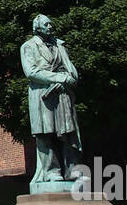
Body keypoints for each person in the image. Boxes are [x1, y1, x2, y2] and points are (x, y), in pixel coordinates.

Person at [21, 13, 83, 190]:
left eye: (51, 24)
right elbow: (31, 72)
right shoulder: (28, 47)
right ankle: (51, 172)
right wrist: (59, 77)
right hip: (42, 95)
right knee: (45, 133)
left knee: (69, 132)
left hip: (62, 95)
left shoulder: (59, 45)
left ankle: (73, 170)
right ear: (37, 27)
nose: (50, 27)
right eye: (46, 24)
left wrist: (69, 78)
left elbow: (71, 69)